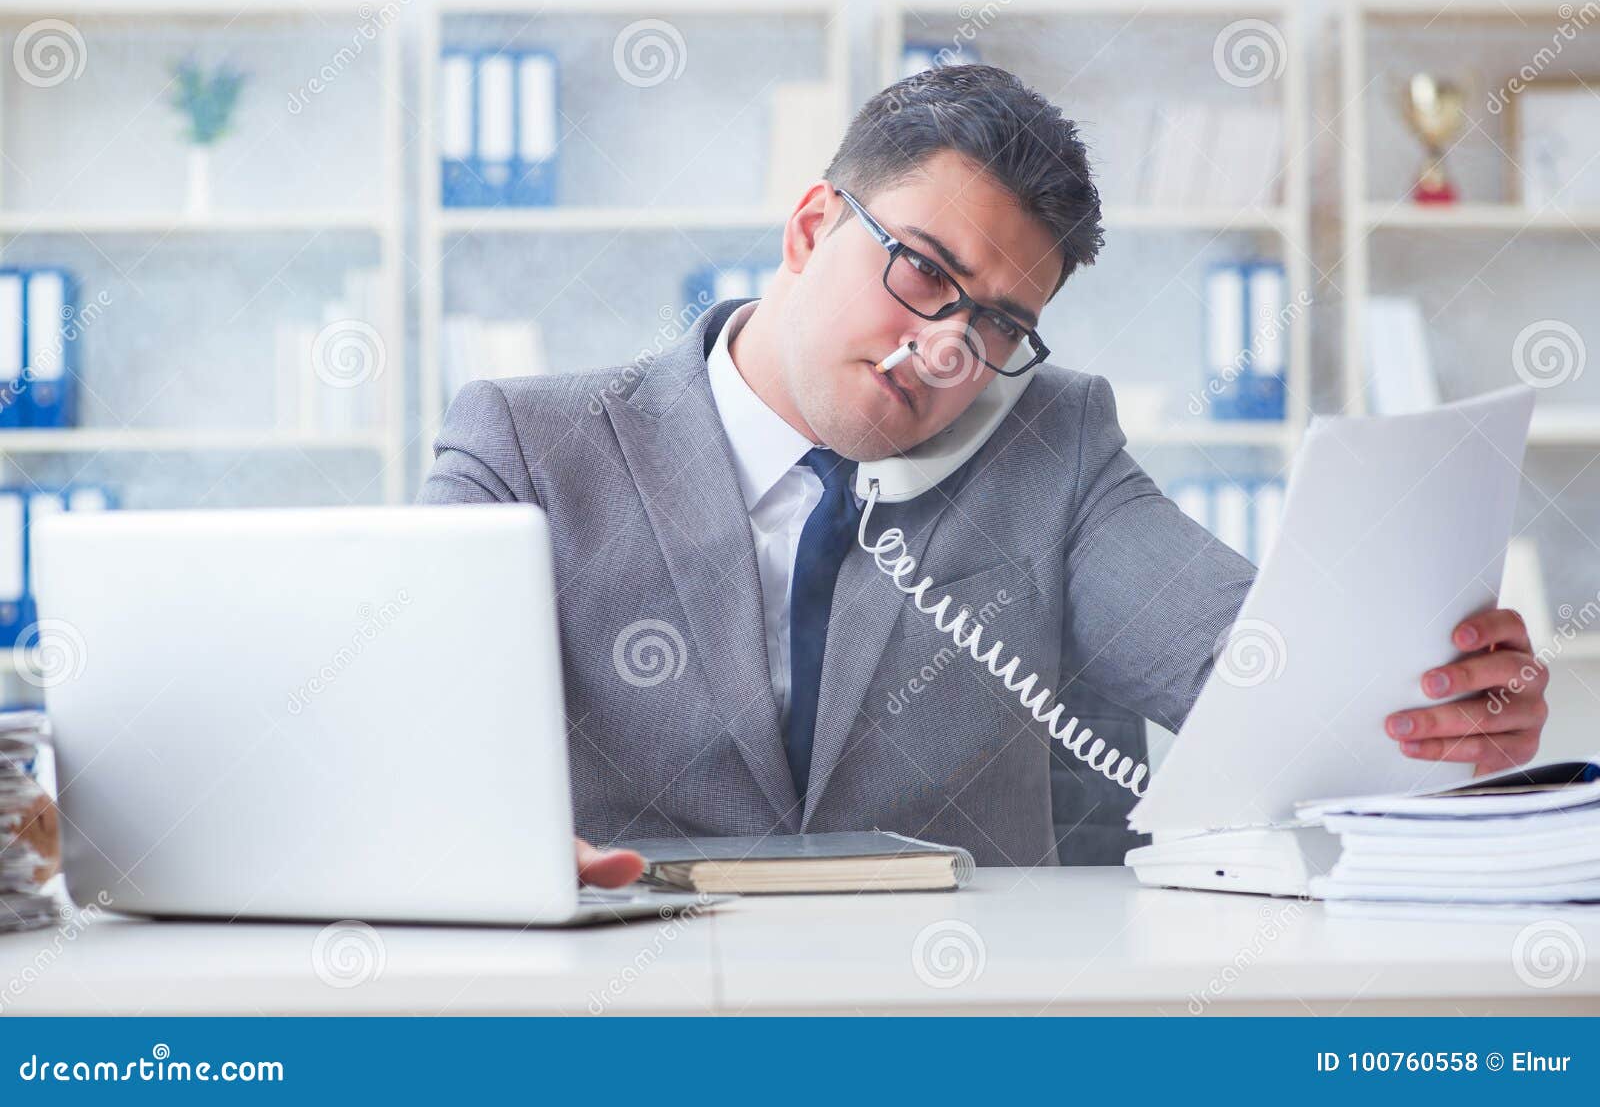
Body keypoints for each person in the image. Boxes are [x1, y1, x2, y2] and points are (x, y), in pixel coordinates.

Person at [420, 65, 1549, 888]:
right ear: (812, 229)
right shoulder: (530, 445)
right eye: (922, 272)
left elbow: (1242, 663)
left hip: (960, 1020)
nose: (948, 348)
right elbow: (409, 744)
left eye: (1000, 322)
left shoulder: (1047, 444)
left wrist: (1432, 697)